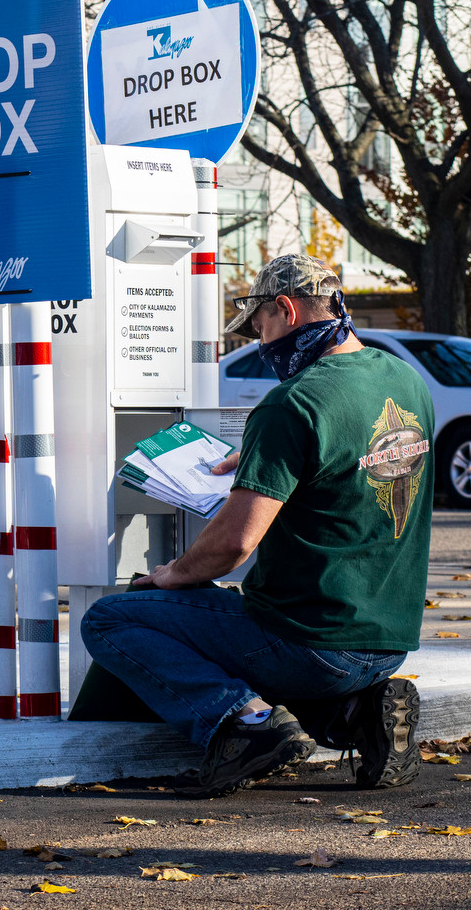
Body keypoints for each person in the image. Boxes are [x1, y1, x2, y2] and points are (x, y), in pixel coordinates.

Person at [80, 254, 434, 797]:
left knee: (110, 619)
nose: (260, 343)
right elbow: (349, 455)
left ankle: (246, 724)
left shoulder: (292, 404)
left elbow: (232, 545)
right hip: (388, 641)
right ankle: (360, 714)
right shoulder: (403, 381)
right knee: (282, 647)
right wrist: (267, 455)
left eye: (260, 326)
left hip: (309, 640)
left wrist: (173, 573)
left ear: (286, 309)